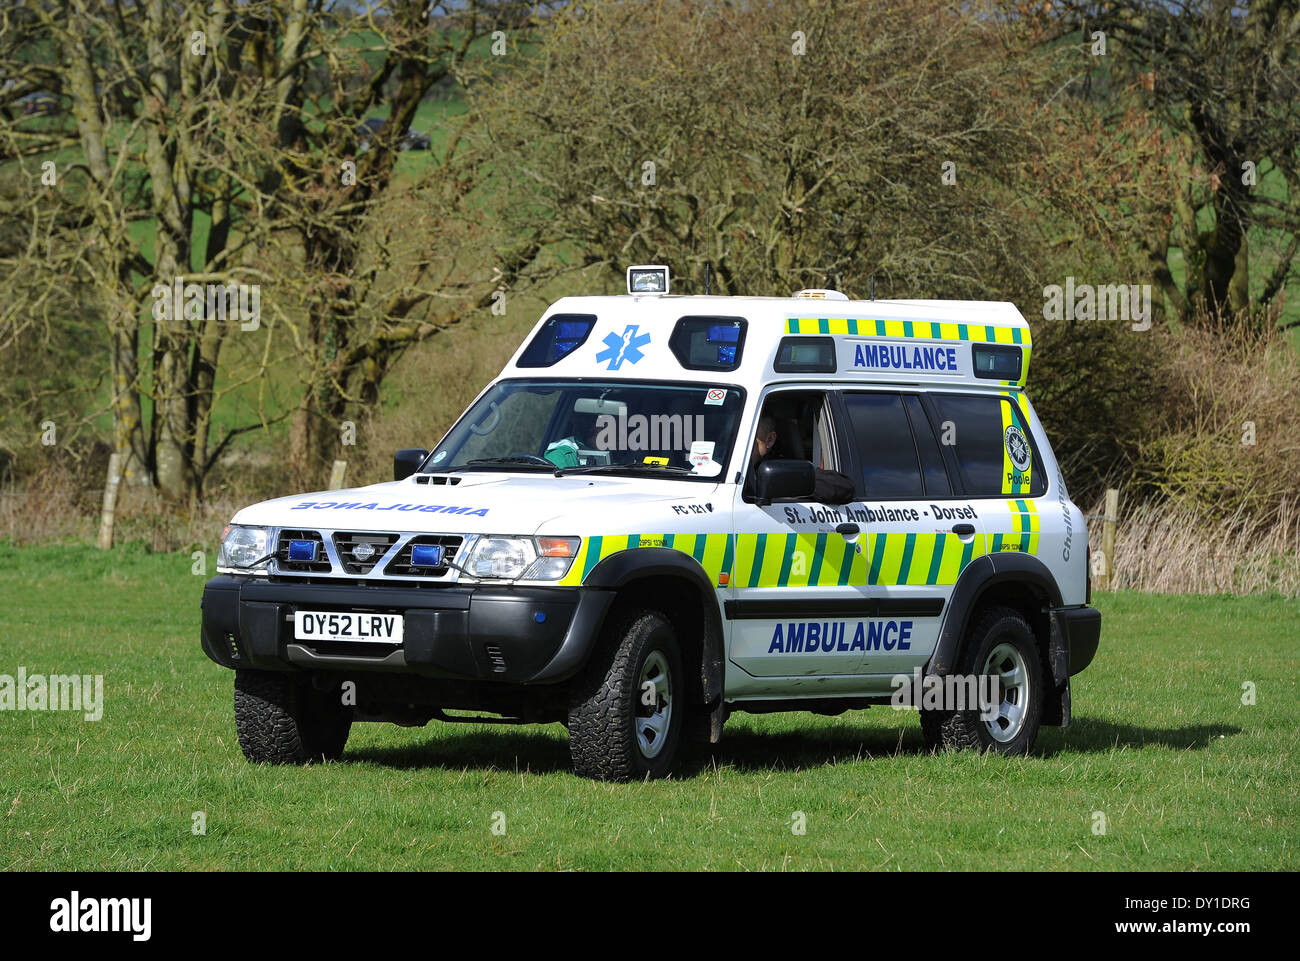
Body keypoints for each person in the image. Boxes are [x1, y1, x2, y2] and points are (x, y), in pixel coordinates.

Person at [747, 415, 854, 504]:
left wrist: (787, 484)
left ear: (770, 439)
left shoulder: (778, 469)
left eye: (750, 435)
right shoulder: (734, 469)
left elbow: (844, 487)